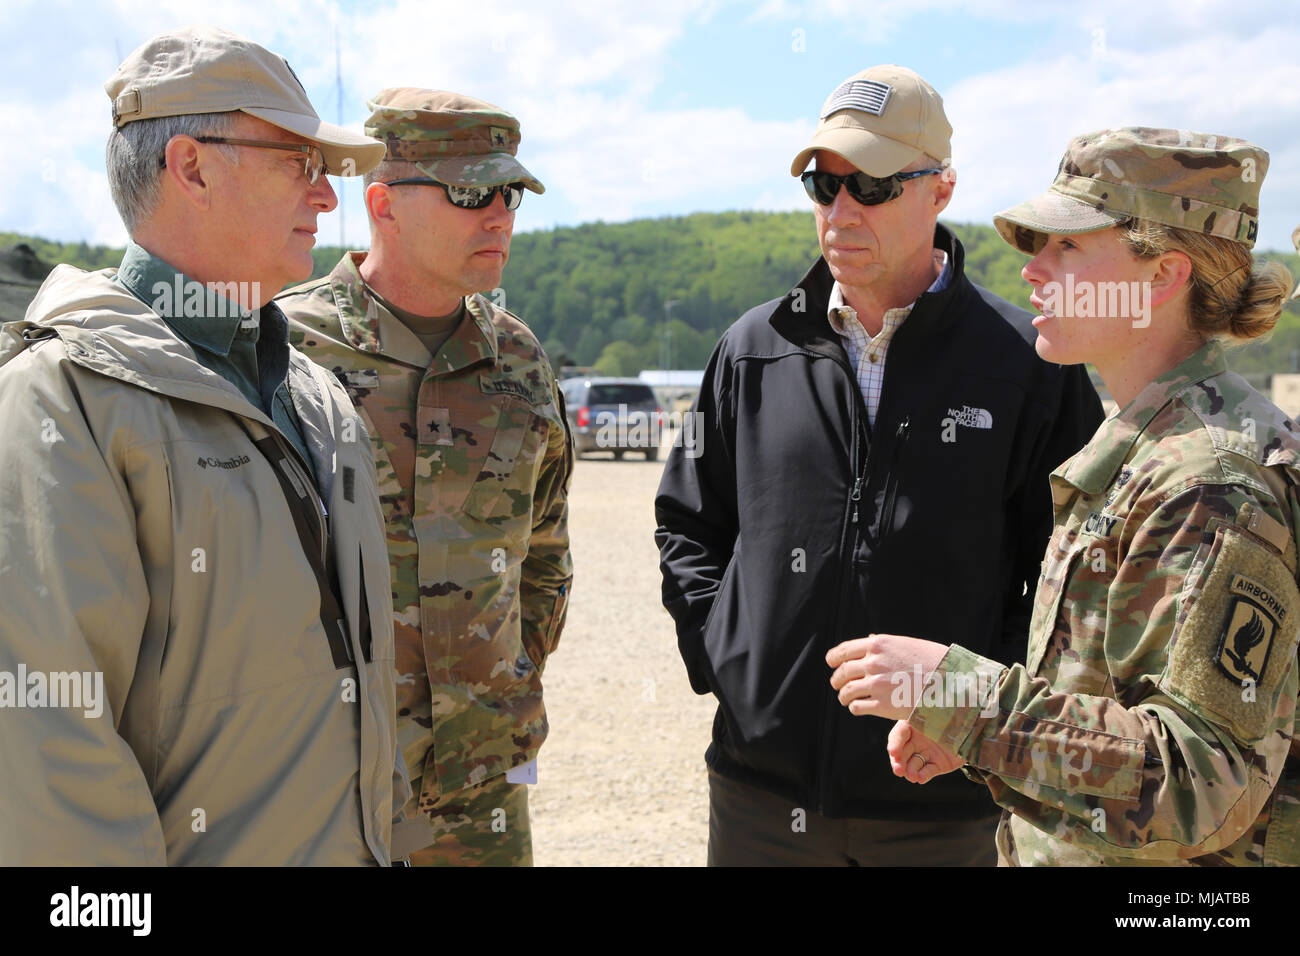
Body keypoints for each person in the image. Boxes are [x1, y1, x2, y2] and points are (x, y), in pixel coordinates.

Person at [654, 64, 1103, 866]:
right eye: (825, 184)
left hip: (938, 805)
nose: (841, 210)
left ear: (942, 190)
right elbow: (689, 522)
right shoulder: (752, 350)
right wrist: (733, 669)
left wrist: (975, 717)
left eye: (872, 184)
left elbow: (1073, 582)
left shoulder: (1030, 364)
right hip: (759, 800)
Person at [828, 127, 1300, 866]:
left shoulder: (1207, 478)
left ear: (1161, 277)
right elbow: (1116, 701)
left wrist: (963, 699)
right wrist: (991, 740)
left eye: (1068, 247)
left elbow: (1198, 782)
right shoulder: (1152, 443)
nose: (1032, 270)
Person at [0, 26, 411, 865]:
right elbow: (49, 754)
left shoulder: (313, 396)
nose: (327, 199)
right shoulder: (62, 399)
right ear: (191, 167)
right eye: (300, 163)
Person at [276, 89, 573, 867]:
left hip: (482, 794)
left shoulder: (518, 359)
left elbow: (544, 555)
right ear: (383, 204)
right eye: (472, 193)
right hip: (330, 786)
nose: (500, 215)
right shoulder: (283, 349)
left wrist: (496, 691)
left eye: (509, 193)